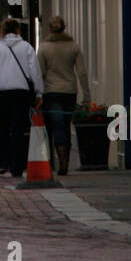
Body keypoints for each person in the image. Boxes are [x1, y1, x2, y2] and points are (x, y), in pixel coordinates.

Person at [0, 18, 42, 178]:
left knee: (3, 127)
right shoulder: (26, 47)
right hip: (21, 92)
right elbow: (35, 71)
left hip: (2, 92)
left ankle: (1, 162)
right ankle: (17, 166)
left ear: (2, 31)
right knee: (19, 128)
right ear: (18, 30)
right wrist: (39, 92)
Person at [36, 15, 88, 176]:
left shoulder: (44, 48)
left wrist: (38, 93)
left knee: (55, 127)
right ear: (64, 27)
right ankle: (64, 159)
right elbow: (81, 72)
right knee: (65, 125)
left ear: (50, 29)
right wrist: (87, 95)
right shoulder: (74, 47)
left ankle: (60, 162)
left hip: (51, 92)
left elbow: (40, 72)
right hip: (69, 91)